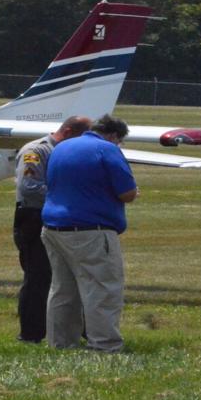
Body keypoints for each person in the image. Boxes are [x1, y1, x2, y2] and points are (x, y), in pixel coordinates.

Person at [41, 114, 138, 352]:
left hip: (53, 227)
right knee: (102, 288)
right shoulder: (107, 149)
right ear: (114, 136)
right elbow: (127, 192)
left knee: (63, 289)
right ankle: (105, 345)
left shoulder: (61, 148)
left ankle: (60, 343)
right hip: (90, 230)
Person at [11, 116, 92, 342]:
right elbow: (29, 187)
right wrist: (69, 197)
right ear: (67, 132)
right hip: (34, 217)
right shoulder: (36, 151)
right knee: (38, 276)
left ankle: (81, 330)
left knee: (74, 275)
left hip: (63, 217)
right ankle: (31, 334)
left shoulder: (72, 153)